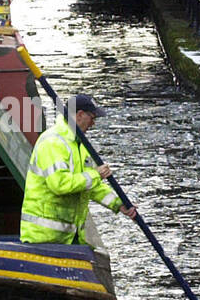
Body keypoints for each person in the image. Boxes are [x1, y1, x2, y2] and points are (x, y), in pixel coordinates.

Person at [20, 94, 137, 244]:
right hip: (43, 238)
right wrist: (96, 175)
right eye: (92, 117)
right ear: (80, 115)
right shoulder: (53, 142)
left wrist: (119, 204)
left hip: (67, 236)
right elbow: (60, 184)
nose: (93, 124)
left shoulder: (79, 144)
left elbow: (90, 185)